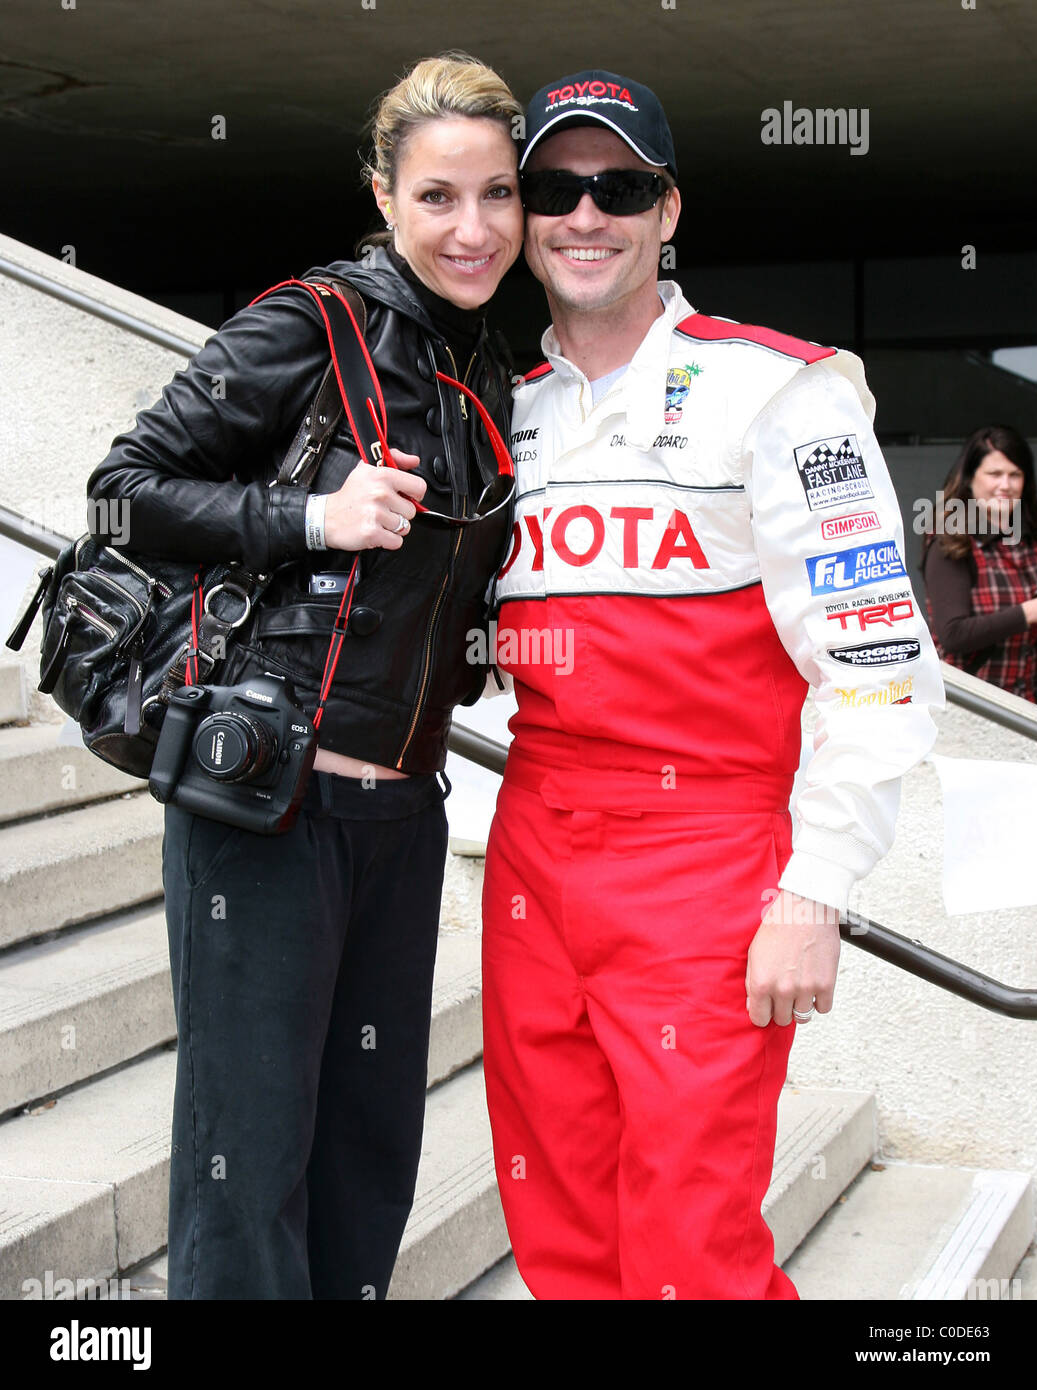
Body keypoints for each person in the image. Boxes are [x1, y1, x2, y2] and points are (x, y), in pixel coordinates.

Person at [480, 69, 945, 1300]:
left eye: (617, 188)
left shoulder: (782, 390)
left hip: (707, 856)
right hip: (533, 847)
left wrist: (817, 889)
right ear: (520, 213)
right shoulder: (488, 412)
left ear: (666, 212)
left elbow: (879, 665)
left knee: (691, 1254)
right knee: (561, 1238)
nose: (585, 216)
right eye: (554, 189)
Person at [87, 52, 523, 1299]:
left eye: (496, 195)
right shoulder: (310, 321)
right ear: (384, 195)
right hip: (270, 805)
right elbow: (122, 495)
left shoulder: (479, 367)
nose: (473, 227)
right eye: (438, 196)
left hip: (402, 809)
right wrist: (308, 518)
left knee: (368, 1157)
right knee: (249, 1157)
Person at [922, 424, 1037, 702]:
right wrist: (1029, 612)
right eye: (994, 474)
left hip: (1027, 706)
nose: (1006, 485)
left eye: (1015, 475)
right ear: (970, 478)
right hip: (973, 706)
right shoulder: (951, 540)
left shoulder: (1032, 541)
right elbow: (953, 635)